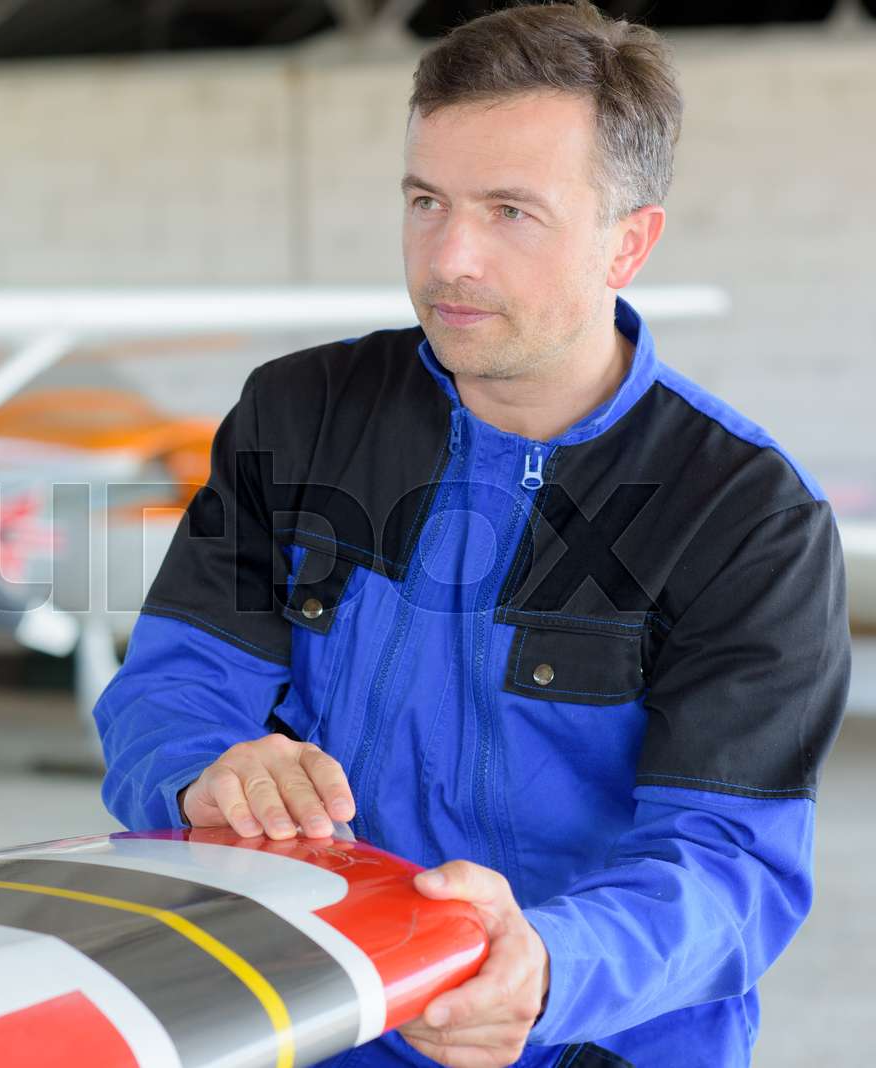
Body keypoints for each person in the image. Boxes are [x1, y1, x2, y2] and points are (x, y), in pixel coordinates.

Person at [92, 3, 849, 1065]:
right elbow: (170, 688)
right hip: (319, 1016)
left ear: (628, 241)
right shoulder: (297, 415)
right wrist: (204, 768)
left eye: (510, 211)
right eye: (424, 201)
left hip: (589, 1032)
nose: (449, 257)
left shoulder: (745, 515)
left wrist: (545, 968)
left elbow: (728, 862)